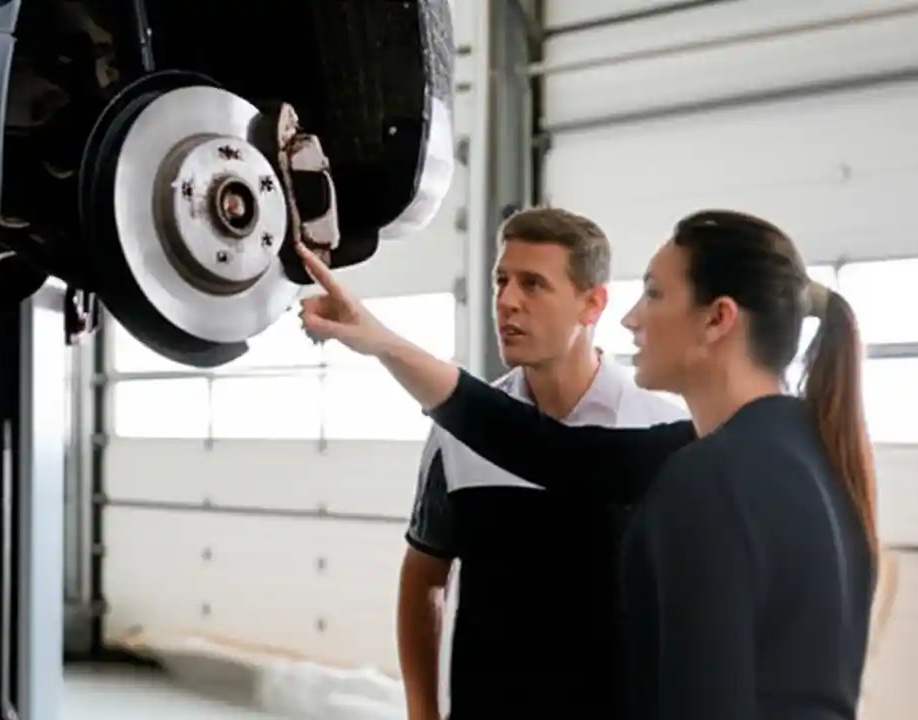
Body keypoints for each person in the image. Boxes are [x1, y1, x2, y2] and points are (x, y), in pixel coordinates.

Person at [295, 209, 877, 720]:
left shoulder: (712, 479)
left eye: (655, 294)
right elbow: (554, 452)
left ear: (717, 319)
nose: (631, 319)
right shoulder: (796, 451)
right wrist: (380, 340)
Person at [398, 208, 686, 720]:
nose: (507, 301)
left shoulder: (660, 431)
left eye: (533, 284)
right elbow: (424, 577)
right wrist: (423, 712)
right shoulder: (459, 431)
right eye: (501, 281)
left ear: (592, 303)